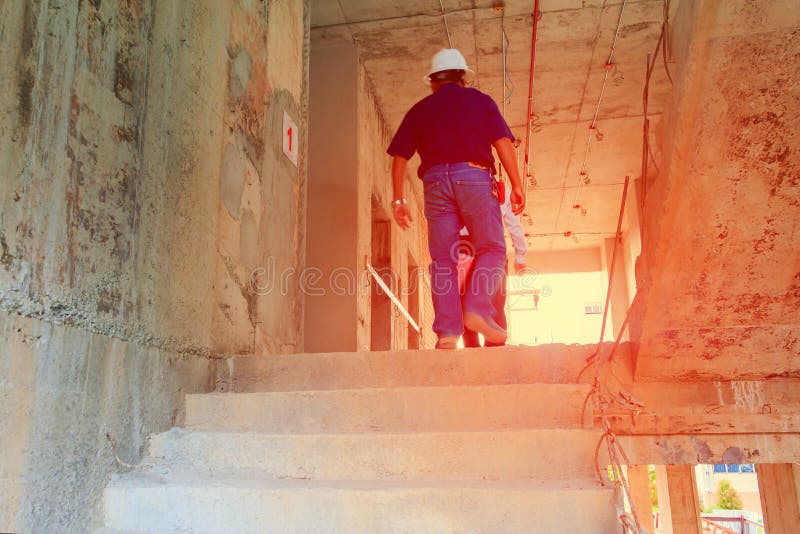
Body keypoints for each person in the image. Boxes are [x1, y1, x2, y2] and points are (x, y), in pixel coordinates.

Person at [387, 48, 526, 350]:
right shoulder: (481, 101)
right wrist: (516, 184)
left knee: (442, 260)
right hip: (474, 178)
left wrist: (398, 201)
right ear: (463, 77)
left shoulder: (420, 109)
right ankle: (476, 306)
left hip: (434, 183)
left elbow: (399, 157)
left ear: (433, 82)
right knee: (492, 248)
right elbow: (503, 143)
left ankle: (448, 333)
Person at [462, 193, 528, 348]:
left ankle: (471, 350)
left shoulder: (455, 182)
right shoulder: (500, 190)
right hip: (492, 246)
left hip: (463, 247)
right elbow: (514, 225)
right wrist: (520, 257)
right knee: (496, 303)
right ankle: (495, 347)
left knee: (466, 304)